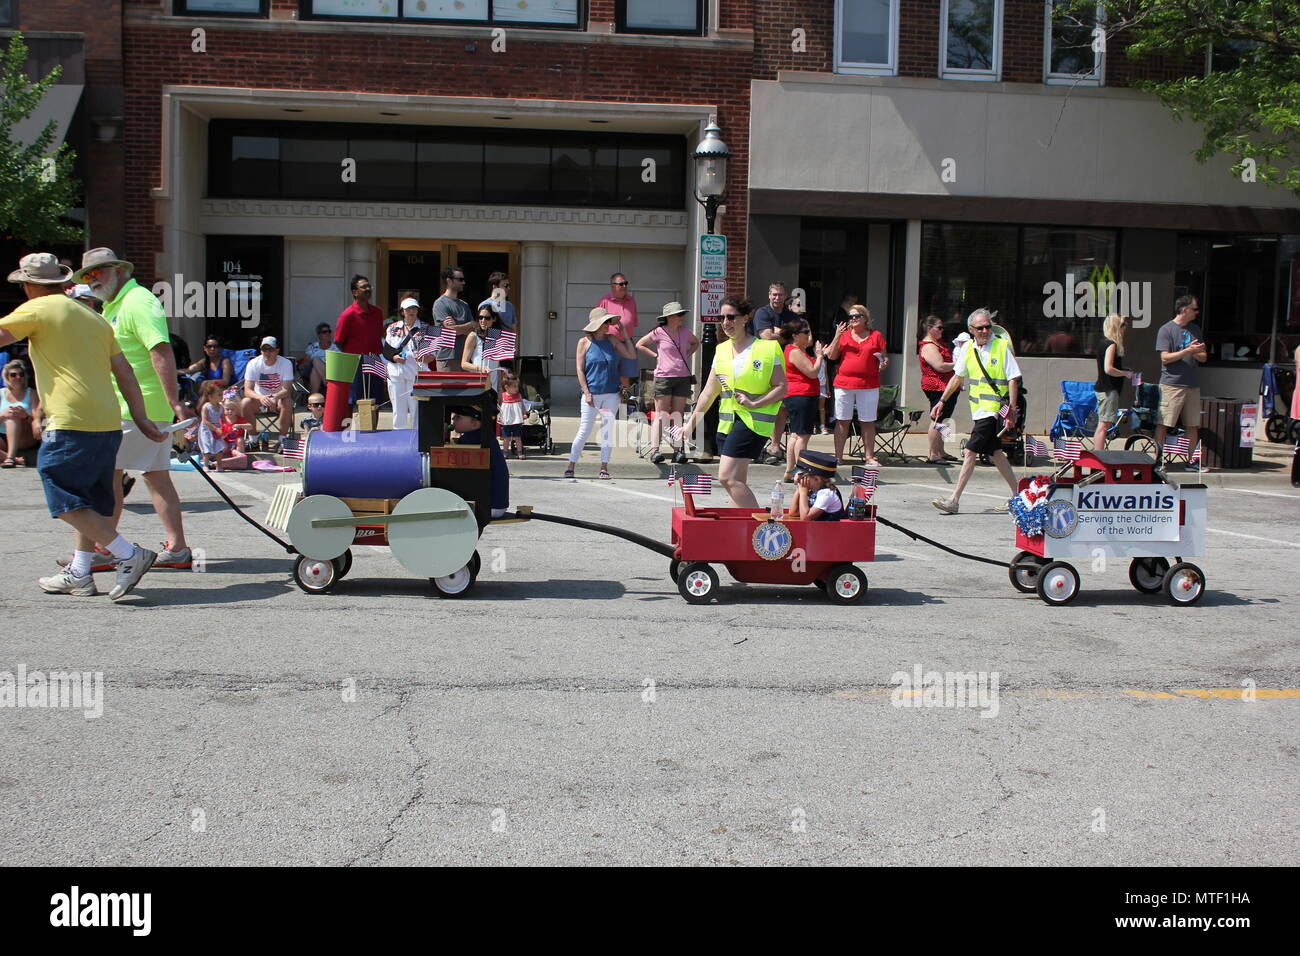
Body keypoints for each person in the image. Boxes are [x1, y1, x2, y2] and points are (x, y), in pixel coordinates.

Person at [0, 252, 163, 600]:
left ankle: (128, 555)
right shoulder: (95, 318)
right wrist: (141, 417)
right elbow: (126, 372)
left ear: (29, 286)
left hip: (72, 420)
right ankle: (80, 572)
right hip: (107, 421)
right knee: (88, 499)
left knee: (63, 495)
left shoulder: (38, 309)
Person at [71, 247, 193, 571]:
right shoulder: (117, 304)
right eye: (87, 276)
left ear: (118, 270)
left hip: (135, 408)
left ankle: (102, 548)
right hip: (138, 407)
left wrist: (173, 401)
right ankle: (177, 549)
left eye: (97, 272)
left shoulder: (137, 301)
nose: (92, 280)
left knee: (107, 477)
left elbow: (161, 350)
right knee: (156, 477)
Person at [682, 296, 787, 510]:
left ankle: (763, 530)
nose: (725, 322)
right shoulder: (721, 350)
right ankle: (742, 532)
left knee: (727, 477)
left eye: (731, 317)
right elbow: (708, 393)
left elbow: (781, 387)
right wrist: (690, 425)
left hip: (753, 422)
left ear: (746, 318)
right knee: (736, 481)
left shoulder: (767, 349)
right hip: (728, 423)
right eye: (722, 317)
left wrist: (755, 403)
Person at [929, 308, 1021, 515]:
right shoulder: (968, 349)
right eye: (981, 328)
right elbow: (957, 377)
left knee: (970, 451)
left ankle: (954, 500)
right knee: (996, 453)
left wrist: (1011, 410)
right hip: (978, 410)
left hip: (994, 411)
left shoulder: (1001, 346)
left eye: (988, 326)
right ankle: (1018, 497)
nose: (986, 331)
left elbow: (1013, 378)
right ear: (971, 329)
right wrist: (942, 400)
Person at [565, 307, 635, 480]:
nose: (608, 325)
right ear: (596, 324)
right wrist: (587, 392)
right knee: (584, 431)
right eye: (605, 322)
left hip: (612, 393)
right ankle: (571, 464)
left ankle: (604, 467)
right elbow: (580, 370)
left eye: (608, 322)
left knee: (607, 431)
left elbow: (631, 355)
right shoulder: (584, 342)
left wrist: (624, 333)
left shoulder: (612, 340)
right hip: (592, 394)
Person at [635, 301, 698, 465]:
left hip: (682, 377)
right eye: (679, 314)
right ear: (669, 317)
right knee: (661, 415)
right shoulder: (658, 332)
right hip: (664, 377)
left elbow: (696, 343)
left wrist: (686, 354)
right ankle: (656, 451)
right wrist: (655, 356)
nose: (682, 317)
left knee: (677, 415)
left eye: (682, 314)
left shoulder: (685, 331)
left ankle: (678, 450)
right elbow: (640, 344)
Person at [827, 303, 889, 467]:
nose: (853, 319)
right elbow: (832, 356)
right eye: (851, 317)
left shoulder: (876, 336)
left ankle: (869, 456)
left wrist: (883, 363)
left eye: (856, 316)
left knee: (867, 421)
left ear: (865, 318)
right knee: (842, 420)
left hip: (868, 384)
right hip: (844, 383)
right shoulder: (844, 335)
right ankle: (838, 456)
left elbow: (884, 357)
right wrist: (837, 336)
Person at [1154, 295, 1208, 469]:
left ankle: (1193, 462)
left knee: (1192, 425)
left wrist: (1194, 351)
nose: (1197, 312)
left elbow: (1204, 357)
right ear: (1184, 309)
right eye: (1195, 309)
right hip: (1172, 384)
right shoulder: (1166, 330)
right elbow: (1165, 358)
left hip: (1192, 384)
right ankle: (1156, 461)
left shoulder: (1195, 330)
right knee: (1164, 424)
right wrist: (1188, 350)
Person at [751, 281, 799, 464]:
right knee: (760, 405)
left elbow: (801, 337)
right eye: (774, 294)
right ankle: (755, 447)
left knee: (781, 408)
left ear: (785, 296)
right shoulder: (763, 313)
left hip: (786, 365)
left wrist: (780, 332)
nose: (777, 298)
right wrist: (785, 334)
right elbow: (766, 337)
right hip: (763, 363)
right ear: (769, 295)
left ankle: (774, 446)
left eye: (780, 294)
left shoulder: (790, 315)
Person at [778, 318, 824, 483]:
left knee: (795, 435)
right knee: (803, 436)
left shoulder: (797, 349)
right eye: (805, 332)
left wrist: (838, 335)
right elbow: (812, 372)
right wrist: (819, 357)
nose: (808, 335)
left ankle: (790, 471)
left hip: (798, 396)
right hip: (802, 396)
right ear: (795, 335)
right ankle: (800, 472)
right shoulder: (794, 351)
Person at [450, 404, 509, 518]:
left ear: (475, 423)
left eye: (458, 417)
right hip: (497, 504)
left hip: (487, 506)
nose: (453, 419)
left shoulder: (470, 439)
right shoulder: (483, 436)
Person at [334, 275, 385, 405]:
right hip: (355, 362)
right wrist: (355, 353)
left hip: (374, 359)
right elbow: (339, 341)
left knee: (376, 400)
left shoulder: (377, 312)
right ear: (355, 292)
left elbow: (379, 335)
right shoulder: (348, 314)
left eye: (369, 286)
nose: (368, 289)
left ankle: (373, 426)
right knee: (353, 400)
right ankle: (351, 425)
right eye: (364, 287)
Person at [918, 314, 959, 464]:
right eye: (939, 327)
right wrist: (959, 363)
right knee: (938, 419)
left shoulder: (939, 343)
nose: (942, 330)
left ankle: (940, 451)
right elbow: (940, 366)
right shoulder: (929, 346)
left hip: (948, 386)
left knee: (945, 419)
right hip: (937, 386)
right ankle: (933, 454)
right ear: (930, 328)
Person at [241, 336, 295, 439]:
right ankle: (253, 439)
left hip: (279, 400)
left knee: (287, 402)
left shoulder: (286, 363)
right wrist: (261, 398)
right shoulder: (253, 363)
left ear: (277, 350)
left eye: (270, 349)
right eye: (264, 349)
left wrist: (274, 397)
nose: (267, 352)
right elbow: (247, 390)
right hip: (259, 400)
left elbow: (287, 390)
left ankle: (282, 439)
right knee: (245, 403)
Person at [1095, 313, 1135, 449]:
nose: (1125, 328)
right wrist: (1125, 373)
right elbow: (1108, 369)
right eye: (1123, 325)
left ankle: (1098, 457)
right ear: (1117, 327)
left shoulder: (1103, 343)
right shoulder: (1111, 345)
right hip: (1108, 390)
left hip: (1104, 389)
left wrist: (1122, 369)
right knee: (1104, 425)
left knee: (1103, 425)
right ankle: (1098, 459)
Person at [385, 297, 427, 429]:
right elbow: (386, 350)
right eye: (408, 309)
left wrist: (422, 357)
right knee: (398, 410)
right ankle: (398, 440)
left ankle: (417, 442)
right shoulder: (392, 328)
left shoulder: (426, 328)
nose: (411, 311)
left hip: (416, 374)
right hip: (396, 374)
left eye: (414, 308)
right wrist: (395, 357)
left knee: (417, 410)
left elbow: (432, 355)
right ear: (402, 311)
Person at [597, 272, 639, 394]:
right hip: (609, 344)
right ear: (612, 286)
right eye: (621, 284)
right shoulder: (605, 301)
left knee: (626, 376)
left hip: (627, 342)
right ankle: (608, 405)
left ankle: (623, 408)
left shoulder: (631, 301)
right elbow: (596, 322)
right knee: (609, 374)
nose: (624, 286)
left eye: (626, 283)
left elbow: (633, 322)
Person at [433, 265, 475, 373]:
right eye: (460, 279)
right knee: (448, 390)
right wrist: (466, 326)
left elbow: (473, 328)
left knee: (467, 390)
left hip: (465, 358)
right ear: (449, 281)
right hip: (447, 358)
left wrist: (457, 326)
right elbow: (451, 331)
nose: (463, 282)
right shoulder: (440, 303)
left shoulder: (464, 305)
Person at [1, 358, 43, 467]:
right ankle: (15, 459)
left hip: (26, 436)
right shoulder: (1, 394)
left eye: (21, 374)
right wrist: (3, 415)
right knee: (9, 415)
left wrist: (24, 416)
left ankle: (10, 458)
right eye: (14, 375)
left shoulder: (32, 394)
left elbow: (38, 421)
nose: (18, 377)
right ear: (7, 377)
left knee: (13, 418)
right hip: (3, 438)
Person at [461, 303, 510, 390]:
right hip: (477, 385)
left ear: (494, 319)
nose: (483, 320)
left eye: (487, 318)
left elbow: (497, 365)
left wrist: (499, 389)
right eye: (480, 317)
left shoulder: (497, 338)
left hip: (493, 387)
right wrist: (480, 368)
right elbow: (464, 364)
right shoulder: (473, 336)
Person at [788, 450, 843, 521]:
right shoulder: (813, 489)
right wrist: (799, 488)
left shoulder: (826, 493)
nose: (797, 478)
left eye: (802, 475)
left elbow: (805, 518)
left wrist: (803, 493)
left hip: (831, 530)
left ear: (817, 479)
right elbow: (793, 512)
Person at [195, 379, 226, 469]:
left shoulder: (221, 407)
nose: (221, 396)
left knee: (219, 448)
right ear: (211, 396)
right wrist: (215, 429)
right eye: (219, 395)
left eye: (222, 394)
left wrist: (225, 428)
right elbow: (205, 420)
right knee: (207, 447)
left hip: (217, 429)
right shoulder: (206, 406)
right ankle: (205, 465)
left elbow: (223, 419)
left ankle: (219, 466)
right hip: (207, 430)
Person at [217, 393, 251, 471]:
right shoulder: (222, 420)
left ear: (237, 409)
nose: (230, 411)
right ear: (224, 409)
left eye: (232, 409)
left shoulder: (239, 419)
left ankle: (238, 458)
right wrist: (226, 433)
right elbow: (220, 435)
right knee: (222, 443)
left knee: (240, 440)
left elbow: (250, 426)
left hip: (236, 444)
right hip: (226, 442)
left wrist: (240, 425)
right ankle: (225, 458)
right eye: (227, 409)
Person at [299, 323, 335, 395]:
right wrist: (315, 363)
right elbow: (304, 363)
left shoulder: (335, 348)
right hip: (310, 371)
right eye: (324, 332)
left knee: (315, 372)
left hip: (329, 371)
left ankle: (313, 400)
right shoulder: (313, 347)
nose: (327, 333)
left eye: (329, 331)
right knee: (315, 360)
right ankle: (326, 382)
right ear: (319, 335)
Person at [498, 371, 526, 459]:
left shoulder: (518, 396)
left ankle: (519, 452)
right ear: (507, 387)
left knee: (518, 437)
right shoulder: (502, 396)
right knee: (506, 438)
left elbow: (522, 405)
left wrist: (524, 413)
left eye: (517, 386)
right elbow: (499, 407)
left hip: (517, 420)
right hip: (506, 421)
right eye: (514, 386)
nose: (516, 388)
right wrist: (499, 416)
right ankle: (505, 452)